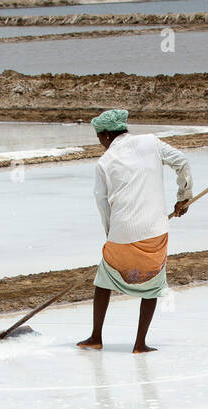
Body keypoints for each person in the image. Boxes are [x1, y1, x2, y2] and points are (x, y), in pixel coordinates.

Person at [78, 108, 193, 354]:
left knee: (103, 281)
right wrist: (184, 197)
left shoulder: (104, 162)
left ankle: (96, 337)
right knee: (152, 284)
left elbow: (102, 201)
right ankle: (140, 344)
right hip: (154, 231)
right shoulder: (151, 142)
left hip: (121, 235)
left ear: (107, 135)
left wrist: (112, 235)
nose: (100, 144)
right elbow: (181, 162)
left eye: (99, 138)